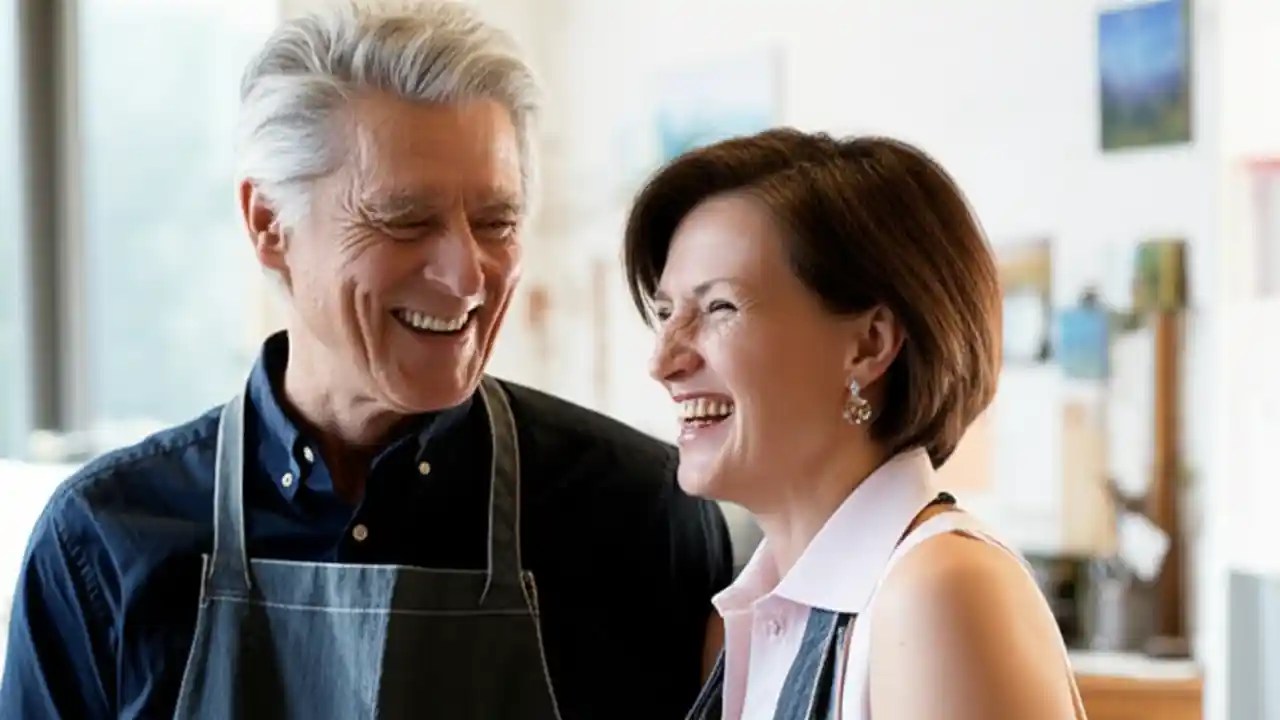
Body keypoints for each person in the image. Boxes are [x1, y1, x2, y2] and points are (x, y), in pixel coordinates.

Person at [0, 2, 732, 718]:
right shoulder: (99, 542)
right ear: (268, 225)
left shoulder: (641, 515)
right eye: (406, 220)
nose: (467, 276)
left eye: (495, 222)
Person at [625, 129, 1086, 719]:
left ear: (869, 345)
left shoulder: (938, 591)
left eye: (719, 308)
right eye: (665, 313)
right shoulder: (762, 610)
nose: (664, 362)